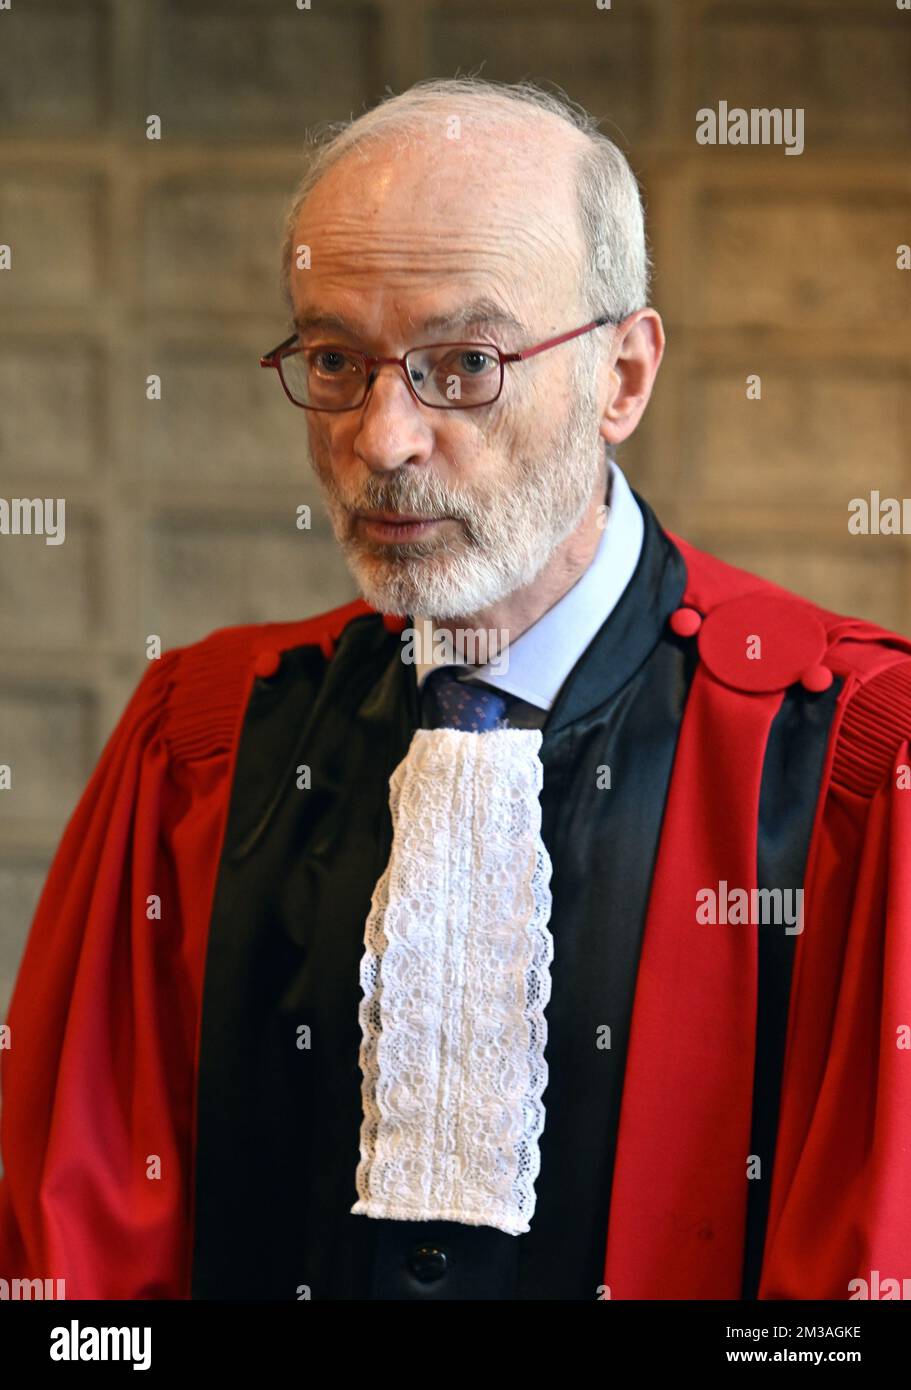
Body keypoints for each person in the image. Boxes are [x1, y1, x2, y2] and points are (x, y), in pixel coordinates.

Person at [2, 77, 910, 1302]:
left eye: (464, 362)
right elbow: (71, 1273)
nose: (382, 438)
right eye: (335, 358)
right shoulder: (201, 743)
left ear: (621, 378)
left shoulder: (843, 758)